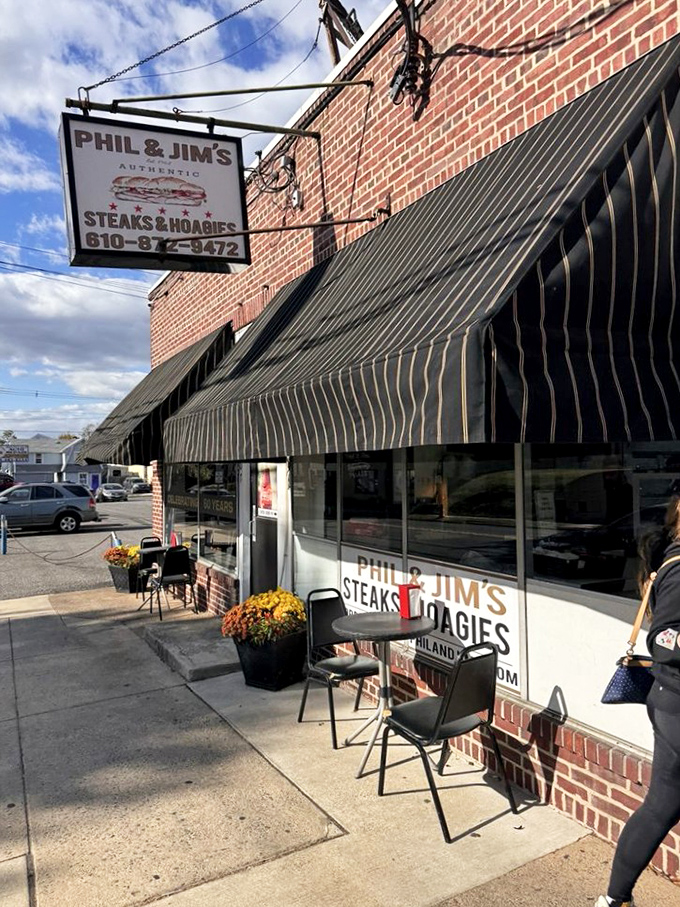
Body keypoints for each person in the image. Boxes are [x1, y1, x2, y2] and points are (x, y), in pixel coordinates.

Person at [597, 495, 680, 907]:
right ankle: (615, 898)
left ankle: (615, 899)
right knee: (662, 804)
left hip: (670, 699)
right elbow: (663, 639)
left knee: (664, 803)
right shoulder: (679, 569)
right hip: (677, 702)